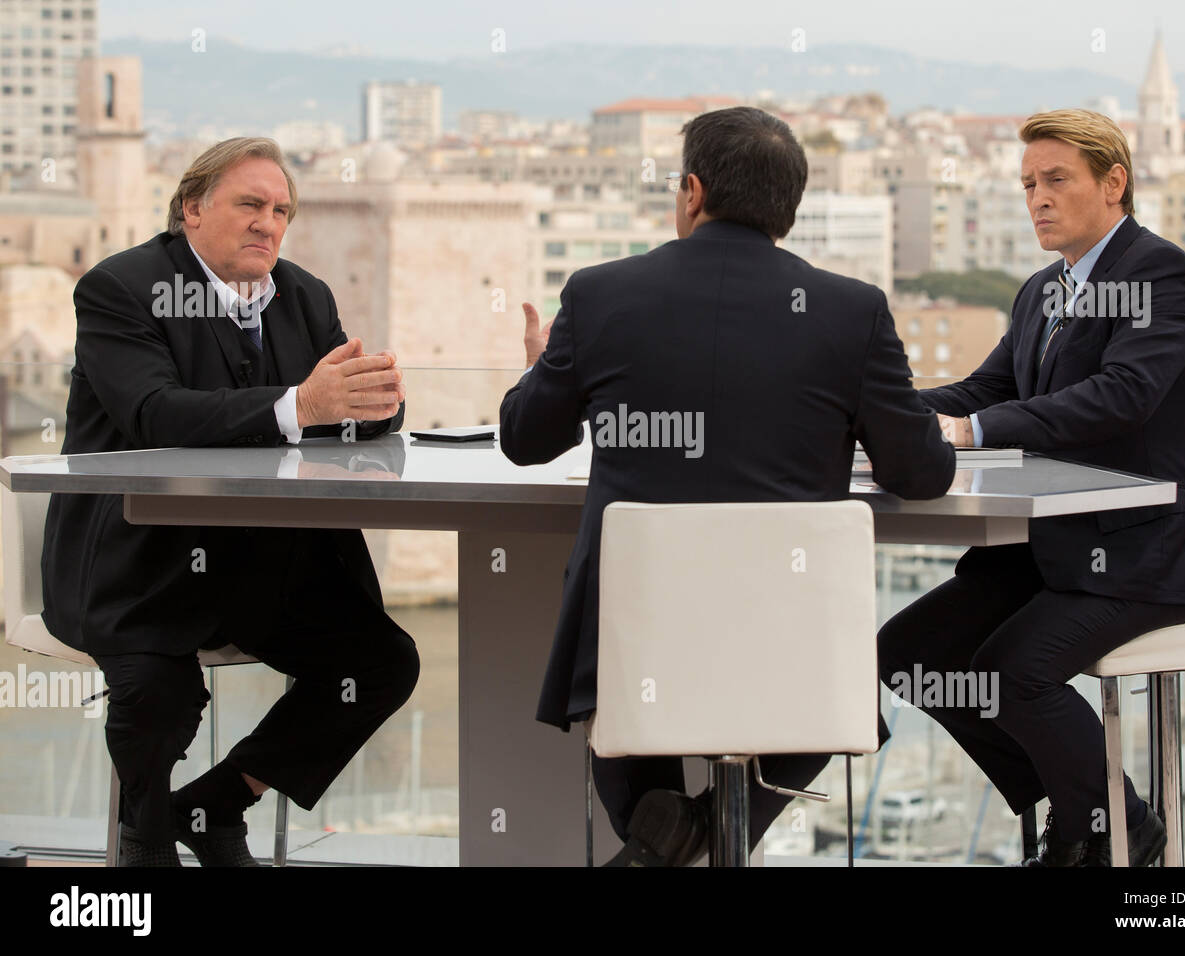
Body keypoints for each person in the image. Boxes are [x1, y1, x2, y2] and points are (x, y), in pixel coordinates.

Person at [499, 106, 955, 866]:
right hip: (793, 653)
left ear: (690, 190)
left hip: (632, 645)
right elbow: (923, 474)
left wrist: (542, 366)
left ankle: (661, 843)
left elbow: (524, 440)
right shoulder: (852, 312)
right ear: (791, 208)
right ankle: (697, 840)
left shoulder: (600, 295)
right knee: (826, 693)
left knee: (636, 735)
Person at [880, 108, 1185, 866]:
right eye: (1027, 184)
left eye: (1055, 180)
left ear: (1114, 183)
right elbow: (986, 387)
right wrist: (878, 411)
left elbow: (1121, 396)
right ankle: (1087, 801)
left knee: (1012, 674)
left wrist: (976, 433)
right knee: (908, 651)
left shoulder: (1160, 274)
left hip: (1156, 551)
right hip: (1065, 549)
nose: (1036, 198)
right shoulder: (1044, 290)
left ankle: (1103, 825)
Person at [41, 137, 419, 866]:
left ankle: (217, 802)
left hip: (262, 569)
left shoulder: (304, 295)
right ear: (192, 208)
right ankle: (144, 837)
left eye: (281, 211)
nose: (267, 225)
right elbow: (157, 413)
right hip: (136, 566)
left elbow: (340, 409)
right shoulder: (121, 288)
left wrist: (372, 403)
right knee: (157, 689)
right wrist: (300, 404)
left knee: (380, 664)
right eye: (250, 204)